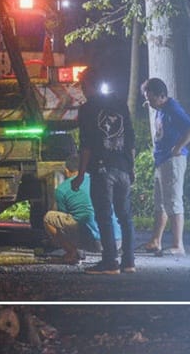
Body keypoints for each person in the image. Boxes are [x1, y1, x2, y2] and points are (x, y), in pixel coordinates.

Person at [73, 67, 136, 275]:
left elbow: (86, 145)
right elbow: (130, 139)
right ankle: (129, 262)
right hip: (123, 166)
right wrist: (131, 167)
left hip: (102, 169)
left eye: (83, 86)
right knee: (125, 216)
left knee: (104, 215)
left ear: (89, 85)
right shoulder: (120, 104)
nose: (83, 90)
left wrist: (80, 175)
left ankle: (110, 262)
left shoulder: (87, 109)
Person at [139, 77, 190, 257]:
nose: (148, 102)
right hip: (162, 161)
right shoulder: (161, 109)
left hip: (173, 160)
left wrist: (178, 147)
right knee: (161, 202)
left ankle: (178, 245)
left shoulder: (172, 107)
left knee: (173, 201)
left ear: (161, 95)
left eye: (150, 98)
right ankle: (156, 240)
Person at [44, 154, 120, 265]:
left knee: (49, 218)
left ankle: (72, 253)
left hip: (93, 242)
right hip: (116, 240)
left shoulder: (62, 189)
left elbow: (64, 216)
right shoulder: (99, 181)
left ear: (66, 171)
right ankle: (111, 254)